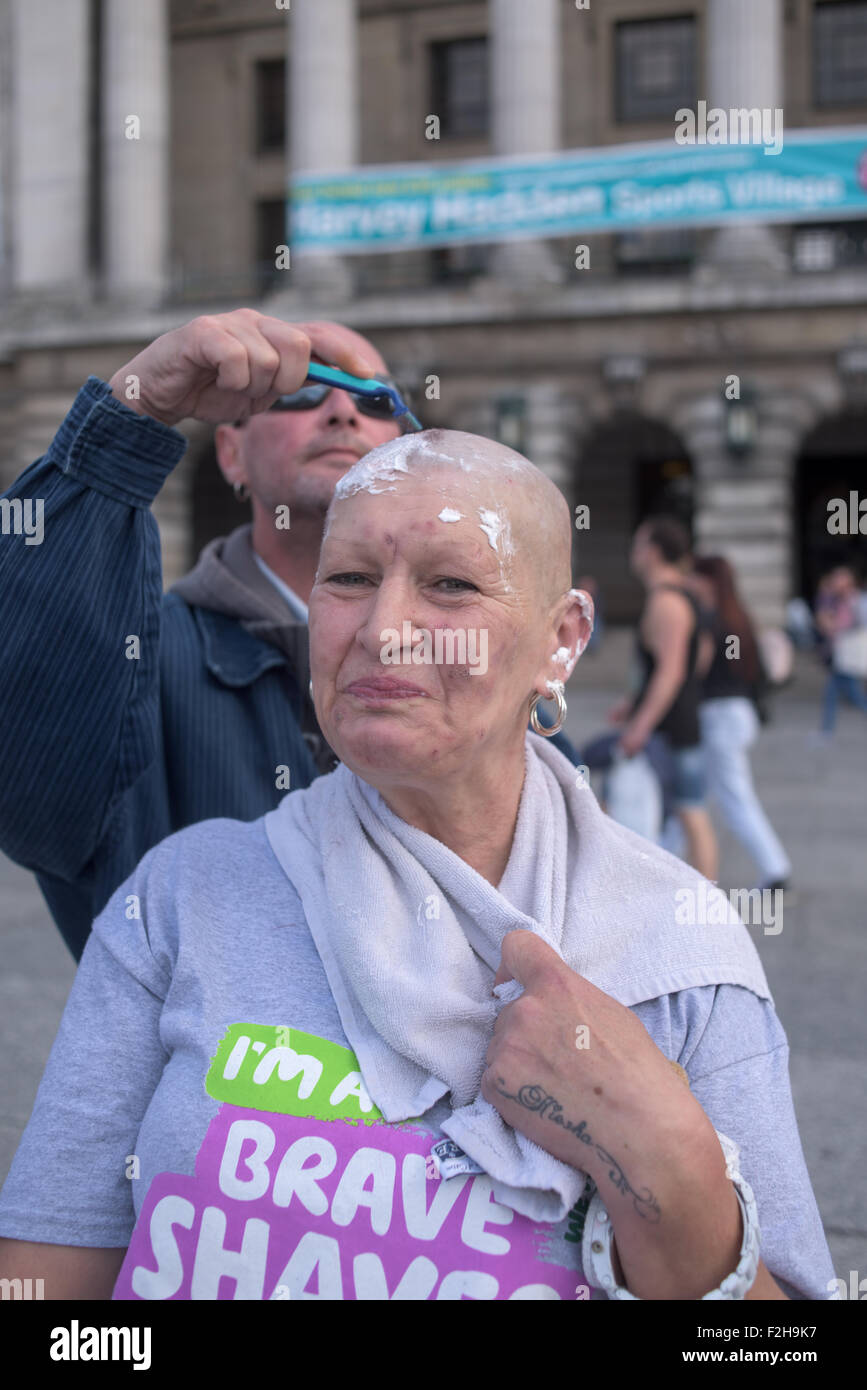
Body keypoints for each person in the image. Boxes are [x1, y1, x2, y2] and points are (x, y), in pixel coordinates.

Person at [0, 428, 834, 1300]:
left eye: (450, 585)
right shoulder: (178, 896)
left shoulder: (679, 946)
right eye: (350, 580)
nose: (383, 630)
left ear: (562, 640)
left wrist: (670, 1165)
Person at [0, 310, 578, 961]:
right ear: (229, 452)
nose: (339, 411)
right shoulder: (142, 659)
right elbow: (29, 763)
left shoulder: (484, 662)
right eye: (301, 389)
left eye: (372, 397)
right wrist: (131, 417)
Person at [610, 517, 717, 881]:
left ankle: (706, 906)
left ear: (653, 552)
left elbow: (670, 671)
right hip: (680, 720)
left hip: (671, 728)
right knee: (686, 810)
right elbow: (700, 655)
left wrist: (640, 725)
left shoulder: (667, 601)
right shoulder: (684, 594)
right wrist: (635, 700)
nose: (633, 552)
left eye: (639, 544)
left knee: (690, 811)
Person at [691, 556, 792, 893]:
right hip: (739, 713)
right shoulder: (739, 617)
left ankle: (775, 870)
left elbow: (698, 673)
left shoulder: (711, 619)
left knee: (732, 798)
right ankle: (662, 860)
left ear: (707, 581)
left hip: (720, 716)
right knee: (691, 794)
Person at [813, 566, 867, 736]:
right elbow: (823, 619)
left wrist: (838, 627)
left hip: (850, 652)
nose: (835, 582)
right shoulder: (836, 599)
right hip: (840, 653)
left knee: (851, 693)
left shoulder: (856, 599)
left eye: (839, 578)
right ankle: (826, 729)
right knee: (833, 692)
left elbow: (860, 623)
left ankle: (826, 730)